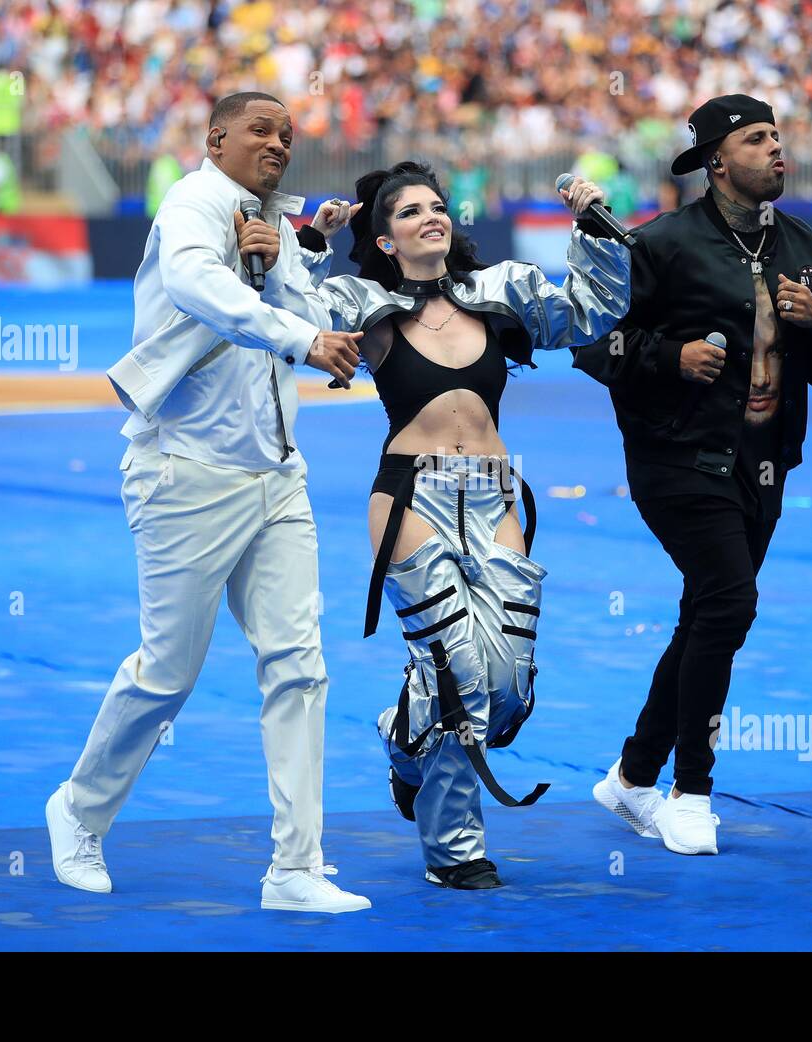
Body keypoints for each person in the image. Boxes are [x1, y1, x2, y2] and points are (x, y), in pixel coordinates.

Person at [257, 161, 630, 889]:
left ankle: (404, 738)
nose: (431, 216)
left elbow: (594, 313)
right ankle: (456, 852)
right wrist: (310, 240)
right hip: (409, 499)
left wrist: (592, 226)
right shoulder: (363, 302)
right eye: (408, 212)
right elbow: (289, 316)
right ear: (387, 240)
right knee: (458, 675)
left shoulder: (504, 291)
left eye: (437, 206)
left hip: (494, 495)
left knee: (509, 684)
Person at [45, 91, 371, 914]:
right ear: (215, 137)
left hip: (277, 476)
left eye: (288, 135)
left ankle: (296, 869)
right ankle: (77, 811)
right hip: (185, 474)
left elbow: (308, 315)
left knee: (300, 666)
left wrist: (302, 253)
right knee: (167, 675)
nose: (278, 144)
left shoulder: (269, 222)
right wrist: (298, 331)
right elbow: (195, 285)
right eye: (260, 130)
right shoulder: (193, 203)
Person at [572, 95, 812, 856]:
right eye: (757, 138)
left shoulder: (803, 245)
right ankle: (691, 790)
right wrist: (671, 357)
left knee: (708, 611)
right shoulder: (662, 245)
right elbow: (591, 343)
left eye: (777, 134)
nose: (777, 148)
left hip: (765, 462)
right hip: (677, 458)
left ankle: (631, 776)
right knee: (729, 602)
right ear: (715, 160)